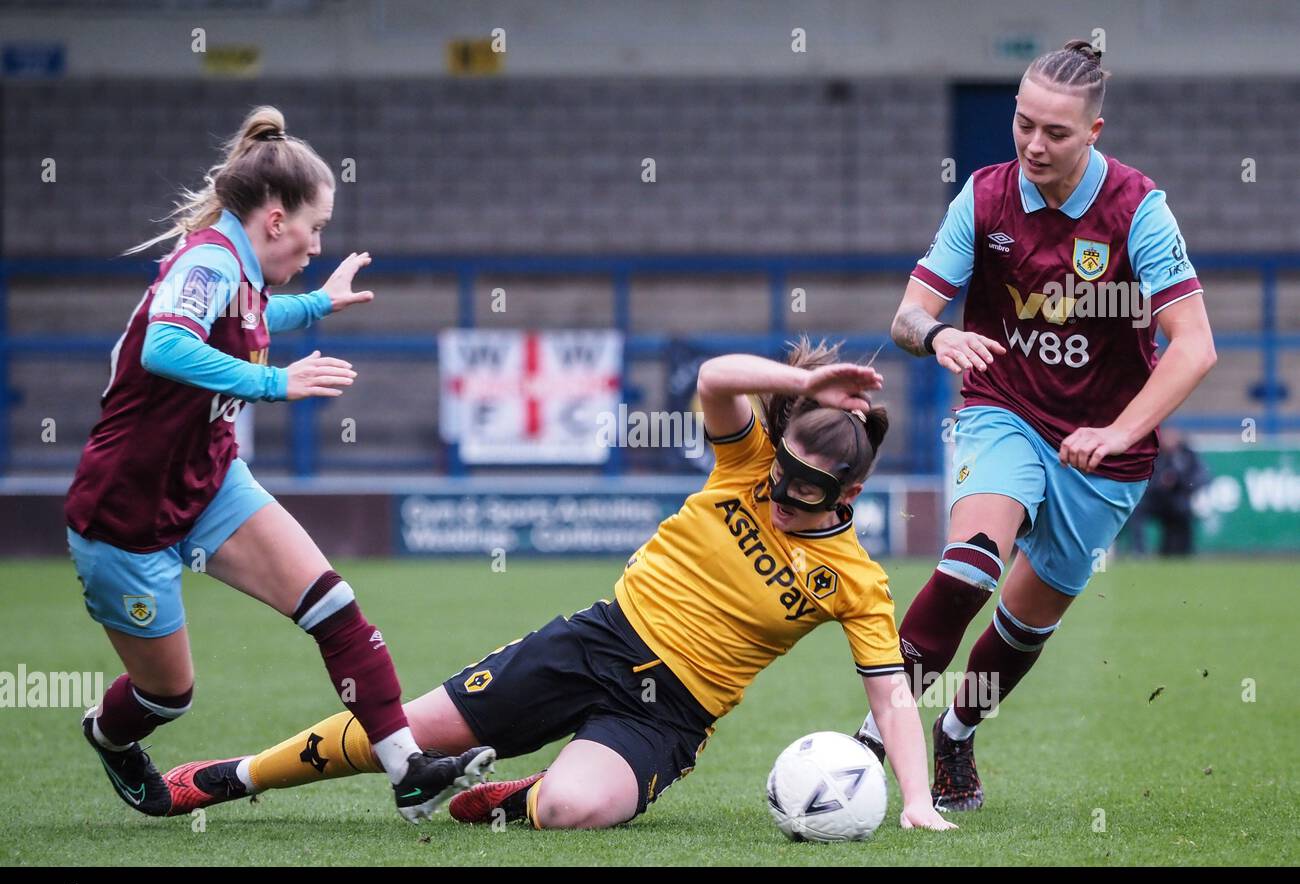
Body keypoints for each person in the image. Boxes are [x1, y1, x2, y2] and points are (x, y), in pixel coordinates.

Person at [161, 341, 956, 832]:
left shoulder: (857, 580)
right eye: (783, 476)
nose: (781, 499)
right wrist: (800, 383)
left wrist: (915, 800)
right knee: (396, 734)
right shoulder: (747, 463)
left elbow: (890, 698)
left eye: (808, 494)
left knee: (577, 809)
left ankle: (513, 800)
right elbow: (716, 377)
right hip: (596, 641)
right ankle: (235, 777)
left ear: (847, 498)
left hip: (672, 714)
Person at [66, 105, 491, 823]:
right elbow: (162, 348)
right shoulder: (207, 259)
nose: (316, 242)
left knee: (332, 604)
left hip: (209, 484)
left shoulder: (239, 268)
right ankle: (109, 736)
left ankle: (407, 769)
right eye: (315, 227)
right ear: (273, 219)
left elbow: (257, 312)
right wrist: (275, 382)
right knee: (168, 696)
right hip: (124, 514)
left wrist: (321, 303)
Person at [855, 40, 1216, 810]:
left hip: (1102, 453)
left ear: (1095, 132)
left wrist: (1121, 432)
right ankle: (869, 745)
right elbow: (909, 314)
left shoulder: (1138, 209)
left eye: (1055, 132)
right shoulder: (983, 198)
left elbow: (1196, 346)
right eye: (1024, 125)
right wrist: (938, 335)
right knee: (970, 564)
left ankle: (955, 730)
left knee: (1024, 625)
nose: (1033, 145)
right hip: (1003, 409)